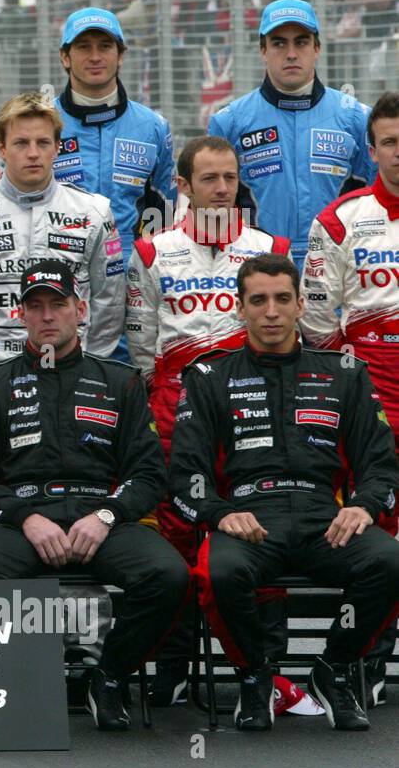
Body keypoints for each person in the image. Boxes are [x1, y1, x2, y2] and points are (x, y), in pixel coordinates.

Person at [0, 259, 189, 730]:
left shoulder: (119, 382)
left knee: (170, 576)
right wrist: (24, 518)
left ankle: (110, 676)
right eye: (34, 306)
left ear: (80, 310)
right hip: (25, 522)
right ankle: (24, 680)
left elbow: (148, 474)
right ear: (20, 314)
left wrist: (106, 515)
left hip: (98, 519)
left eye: (57, 305)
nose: (46, 316)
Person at [169, 252, 399, 730]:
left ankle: (330, 670)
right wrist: (217, 513)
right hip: (250, 518)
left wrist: (364, 505)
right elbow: (185, 474)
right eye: (258, 300)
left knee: (390, 561)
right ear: (240, 307)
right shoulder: (209, 375)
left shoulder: (345, 372)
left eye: (281, 299)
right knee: (218, 572)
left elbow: (382, 466)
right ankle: (256, 676)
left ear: (299, 305)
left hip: (325, 519)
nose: (270, 311)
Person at [127, 135, 293, 705]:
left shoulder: (269, 246)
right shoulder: (152, 252)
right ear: (184, 186)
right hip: (174, 414)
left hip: (253, 412)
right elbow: (141, 346)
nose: (222, 189)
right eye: (209, 180)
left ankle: (265, 671)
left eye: (230, 178)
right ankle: (173, 663)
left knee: (259, 533)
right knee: (174, 540)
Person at [300, 90, 399, 705]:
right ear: (372, 150)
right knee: (374, 528)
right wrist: (355, 381)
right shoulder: (340, 218)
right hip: (372, 391)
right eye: (390, 141)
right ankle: (364, 658)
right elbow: (315, 318)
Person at [0, 91, 123, 386]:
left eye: (43, 143)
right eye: (21, 143)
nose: (33, 153)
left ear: (57, 148)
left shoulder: (95, 212)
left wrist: (87, 366)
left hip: (72, 373)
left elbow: (110, 304)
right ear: (1, 148)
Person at [208, 0, 375, 266]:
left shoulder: (355, 117)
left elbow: (379, 200)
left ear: (317, 48)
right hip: (258, 273)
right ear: (263, 50)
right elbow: (211, 213)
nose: (291, 53)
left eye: (301, 41)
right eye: (278, 43)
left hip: (340, 267)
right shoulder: (230, 122)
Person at [53, 8, 176, 268]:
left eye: (105, 46)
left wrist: (145, 267)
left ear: (120, 56)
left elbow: (163, 212)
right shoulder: (40, 125)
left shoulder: (153, 127)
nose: (95, 57)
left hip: (130, 278)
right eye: (84, 47)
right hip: (58, 281)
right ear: (65, 57)